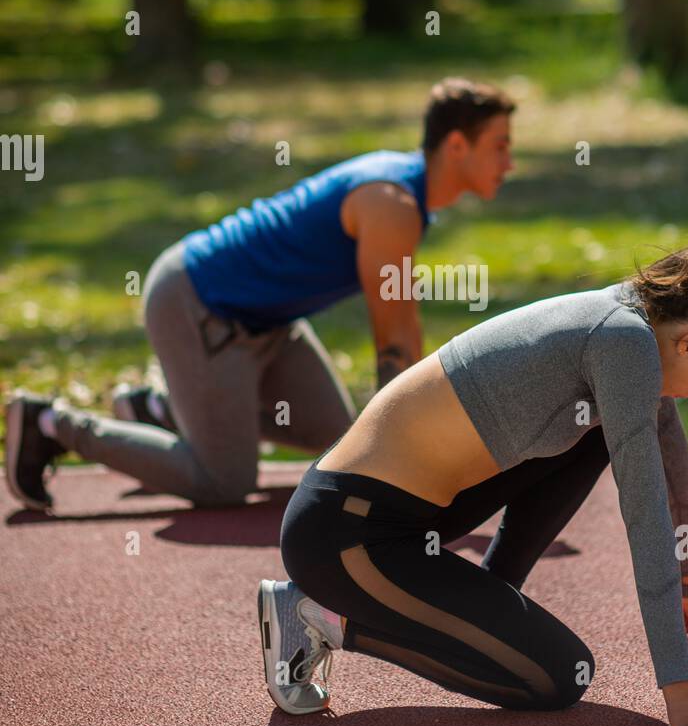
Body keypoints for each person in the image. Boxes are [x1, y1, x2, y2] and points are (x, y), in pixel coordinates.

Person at [258, 237, 688, 726]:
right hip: (344, 536)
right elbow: (645, 515)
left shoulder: (630, 322)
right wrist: (679, 686)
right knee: (555, 679)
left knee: (596, 430)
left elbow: (677, 476)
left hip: (411, 515)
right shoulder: (623, 342)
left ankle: (491, 594)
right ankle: (322, 615)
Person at [4, 77, 515, 512]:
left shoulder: (405, 190)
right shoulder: (392, 203)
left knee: (330, 433)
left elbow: (401, 330)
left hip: (270, 324)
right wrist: (404, 459)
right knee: (224, 484)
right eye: (499, 146)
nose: (509, 162)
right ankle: (51, 424)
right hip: (198, 304)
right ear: (455, 146)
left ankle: (160, 411)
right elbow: (393, 339)